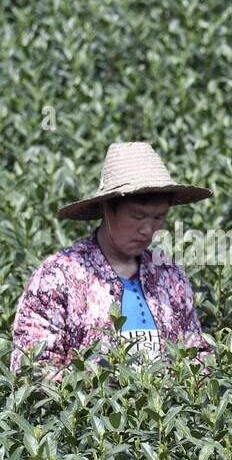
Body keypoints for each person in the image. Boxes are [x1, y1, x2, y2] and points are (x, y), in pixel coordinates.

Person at [10, 142, 212, 377]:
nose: (148, 229)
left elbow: (197, 356)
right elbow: (32, 370)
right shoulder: (59, 275)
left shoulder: (168, 274)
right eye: (137, 216)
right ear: (107, 209)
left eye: (159, 217)